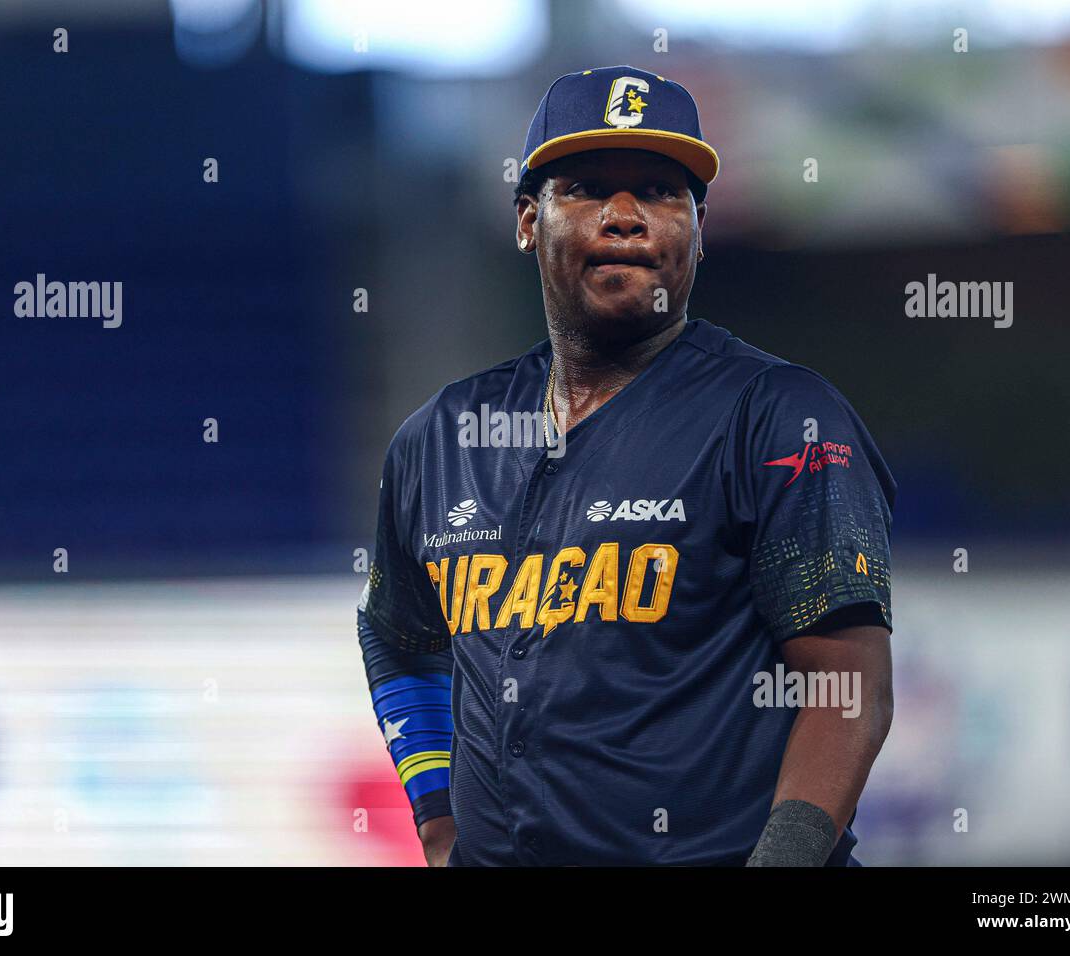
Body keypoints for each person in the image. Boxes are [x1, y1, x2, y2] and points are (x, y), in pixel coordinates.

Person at [357, 65, 895, 866]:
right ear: (527, 221)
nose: (625, 218)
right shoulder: (441, 438)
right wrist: (437, 819)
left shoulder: (778, 415)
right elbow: (399, 639)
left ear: (699, 230)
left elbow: (847, 687)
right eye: (584, 188)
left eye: (659, 191)